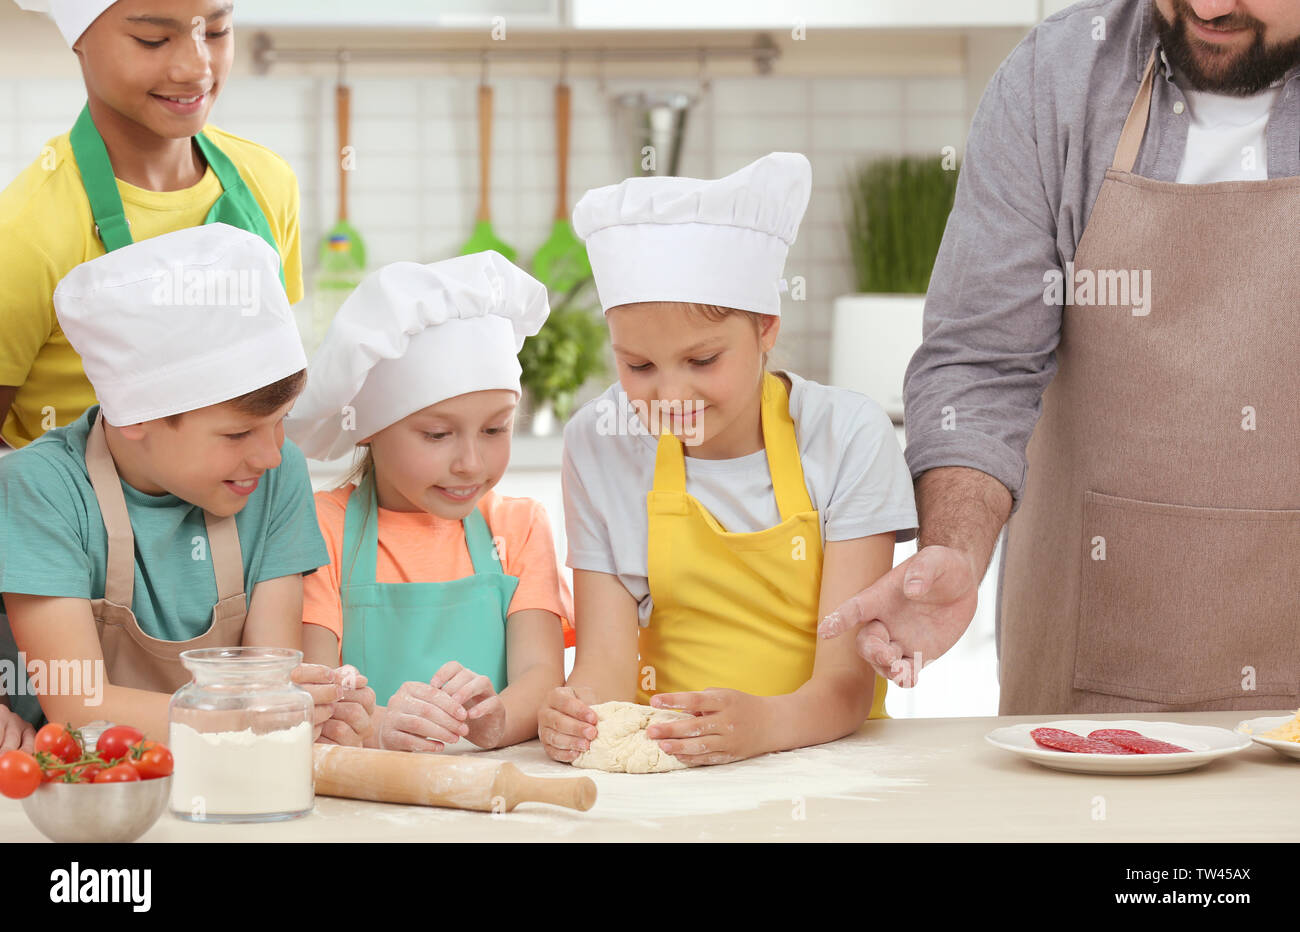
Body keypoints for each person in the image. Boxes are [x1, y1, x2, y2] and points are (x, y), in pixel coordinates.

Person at [821, 0, 1300, 714]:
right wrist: (954, 549)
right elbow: (983, 362)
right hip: (1087, 683)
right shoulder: (1058, 77)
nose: (1209, 6)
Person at [539, 152, 918, 767]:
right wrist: (574, 711)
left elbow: (846, 686)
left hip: (833, 765)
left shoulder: (849, 435)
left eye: (702, 361)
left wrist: (760, 725)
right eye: (637, 366)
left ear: (766, 327)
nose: (669, 397)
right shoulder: (599, 441)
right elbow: (605, 665)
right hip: (674, 768)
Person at [0, 224, 371, 743]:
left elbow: (270, 678)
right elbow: (80, 708)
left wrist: (321, 700)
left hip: (234, 775)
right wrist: (264, 714)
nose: (270, 453)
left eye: (281, 420)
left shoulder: (275, 471)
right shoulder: (42, 489)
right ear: (136, 415)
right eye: (238, 432)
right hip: (87, 788)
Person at [288, 252, 572, 752]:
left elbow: (541, 674)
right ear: (370, 431)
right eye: (438, 434)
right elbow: (315, 687)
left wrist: (499, 719)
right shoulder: (322, 528)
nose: (470, 462)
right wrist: (376, 728)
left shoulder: (521, 527)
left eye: (495, 428)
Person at [1, 0, 304, 448]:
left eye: (216, 32)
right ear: (79, 41)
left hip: (245, 508)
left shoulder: (268, 180)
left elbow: (275, 379)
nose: (196, 68)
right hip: (76, 515)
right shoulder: (24, 233)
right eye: (153, 40)